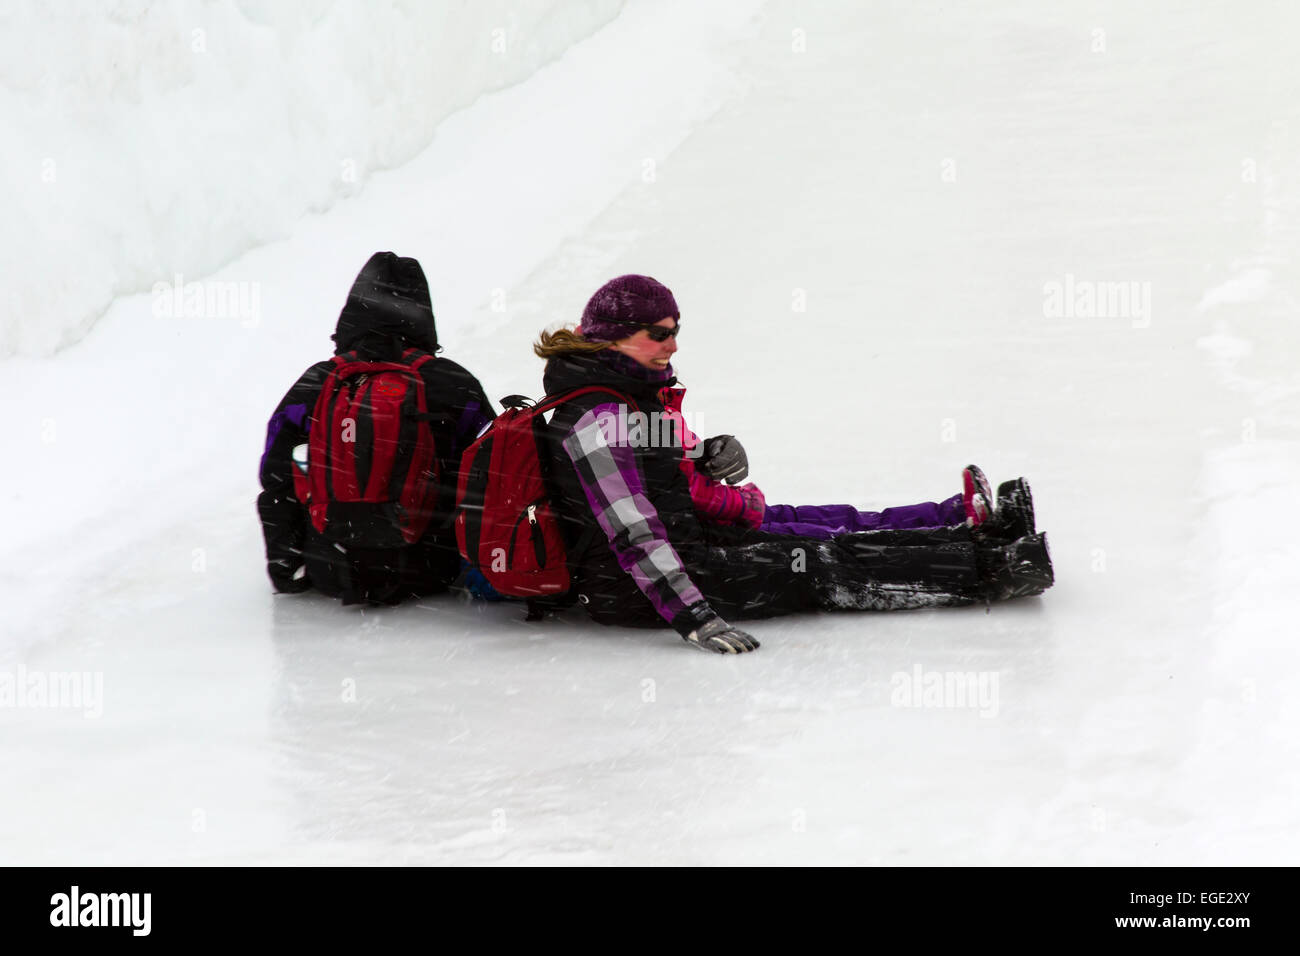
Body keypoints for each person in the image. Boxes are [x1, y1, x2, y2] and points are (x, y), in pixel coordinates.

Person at [535, 274, 1052, 653]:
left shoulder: (618, 397)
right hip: (638, 590)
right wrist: (695, 617)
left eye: (674, 329)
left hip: (694, 543)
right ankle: (995, 567)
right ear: (612, 336)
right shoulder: (595, 419)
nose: (673, 344)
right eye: (657, 333)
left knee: (824, 538)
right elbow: (633, 533)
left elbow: (660, 456)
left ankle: (977, 534)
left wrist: (706, 452)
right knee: (824, 563)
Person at [258, 251, 494, 605]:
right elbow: (491, 477)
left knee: (301, 469)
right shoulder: (454, 383)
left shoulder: (318, 381)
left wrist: (285, 562)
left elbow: (276, 474)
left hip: (330, 568)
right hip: (430, 570)